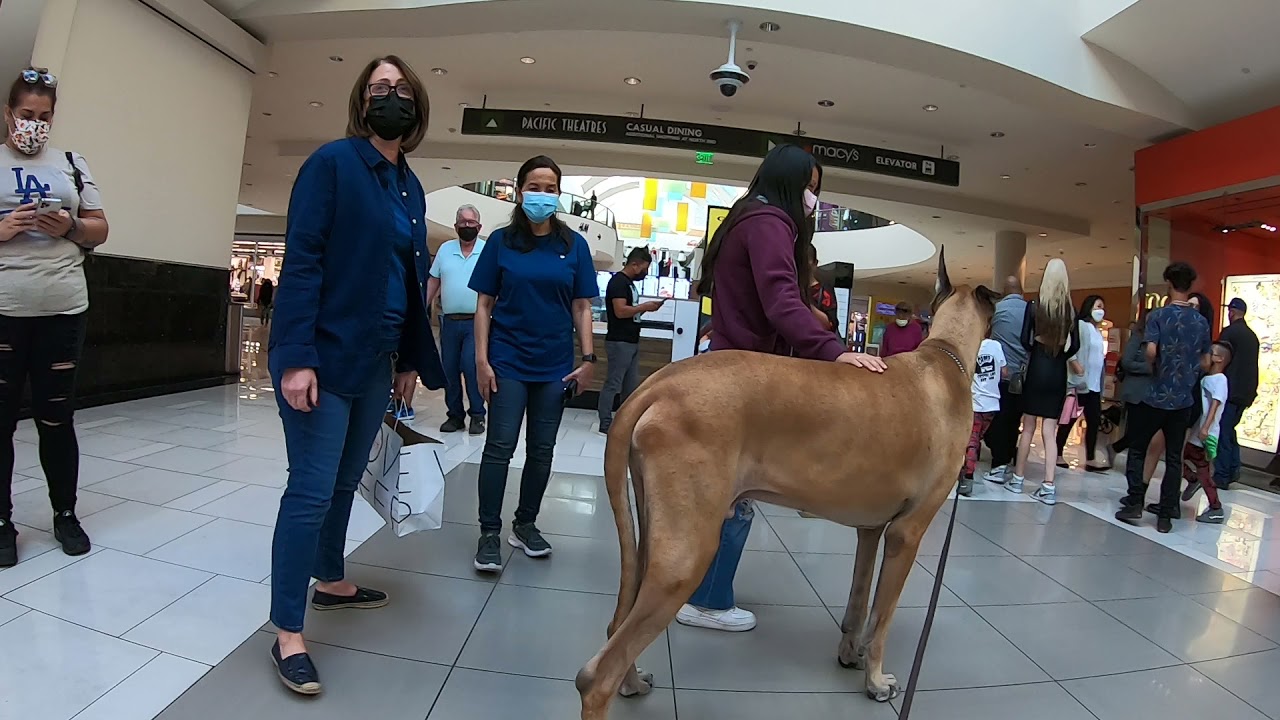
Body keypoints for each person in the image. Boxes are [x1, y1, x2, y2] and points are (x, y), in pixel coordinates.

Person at [267, 56, 444, 695]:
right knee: (311, 490)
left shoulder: (410, 186)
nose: (390, 97)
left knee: (345, 481)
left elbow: (407, 279)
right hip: (322, 356)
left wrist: (406, 361)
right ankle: (288, 630)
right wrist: (295, 357)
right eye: (378, 88)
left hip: (376, 360)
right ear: (361, 102)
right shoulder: (333, 164)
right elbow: (303, 259)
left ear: (416, 105)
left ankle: (331, 579)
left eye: (400, 89)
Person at [677, 143, 885, 633]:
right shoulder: (771, 223)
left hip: (728, 368)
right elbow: (780, 301)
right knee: (738, 493)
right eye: (809, 187)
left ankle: (692, 587)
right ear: (789, 182)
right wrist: (834, 350)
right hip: (748, 380)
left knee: (724, 490)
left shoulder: (744, 217)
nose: (813, 198)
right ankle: (707, 600)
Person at [0, 67, 109, 568]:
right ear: (9, 114)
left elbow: (99, 228)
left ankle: (65, 514)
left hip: (63, 308)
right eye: (27, 114)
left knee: (56, 418)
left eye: (44, 117)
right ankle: (2, 522)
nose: (35, 125)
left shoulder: (71, 163)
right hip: (5, 309)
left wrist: (69, 227)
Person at [468, 155, 598, 573]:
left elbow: (582, 306)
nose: (543, 195)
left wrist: (588, 359)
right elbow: (484, 305)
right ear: (520, 191)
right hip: (507, 360)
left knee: (542, 450)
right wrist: (482, 360)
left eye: (550, 188)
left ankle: (525, 525)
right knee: (499, 447)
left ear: (559, 195)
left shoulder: (573, 245)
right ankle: (489, 532)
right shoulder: (500, 242)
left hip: (554, 366)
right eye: (534, 187)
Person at [1115, 262, 1211, 533]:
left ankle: (1135, 502)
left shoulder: (1158, 316)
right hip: (1183, 399)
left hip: (1156, 394)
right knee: (1174, 457)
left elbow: (1151, 352)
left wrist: (1157, 365)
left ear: (1169, 283)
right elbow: (1206, 361)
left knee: (1138, 448)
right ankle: (1166, 514)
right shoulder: (1201, 322)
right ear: (1190, 285)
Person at [1008, 259, 1080, 505]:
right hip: (1058, 371)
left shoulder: (1034, 306)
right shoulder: (1070, 310)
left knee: (1028, 427)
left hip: (1037, 368)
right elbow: (1075, 345)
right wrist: (1060, 355)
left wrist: (1037, 350)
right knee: (1050, 431)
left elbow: (1024, 339)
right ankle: (1048, 485)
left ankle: (1018, 478)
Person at [428, 204, 487, 435]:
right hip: (449, 321)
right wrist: (421, 308)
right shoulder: (445, 249)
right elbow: (434, 281)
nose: (467, 226)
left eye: (471, 222)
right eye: (463, 222)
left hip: (477, 323)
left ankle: (477, 415)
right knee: (449, 370)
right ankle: (454, 416)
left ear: (479, 227)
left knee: (471, 367)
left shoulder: (486, 250)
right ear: (455, 226)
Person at [598, 246, 662, 433]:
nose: (645, 273)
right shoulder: (618, 282)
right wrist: (644, 307)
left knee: (630, 386)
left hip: (631, 340)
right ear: (635, 265)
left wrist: (645, 309)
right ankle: (605, 422)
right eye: (644, 268)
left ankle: (624, 422)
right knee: (613, 383)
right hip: (620, 341)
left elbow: (629, 311)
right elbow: (620, 311)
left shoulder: (629, 284)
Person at [983, 276, 1029, 484]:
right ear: (1021, 290)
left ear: (1004, 291)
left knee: (997, 418)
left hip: (1000, 374)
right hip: (1024, 376)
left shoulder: (997, 310)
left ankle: (999, 462)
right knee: (1014, 420)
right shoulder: (1031, 310)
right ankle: (1008, 454)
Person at [1055, 295, 1107, 471]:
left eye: (1102, 307)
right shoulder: (1080, 326)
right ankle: (1058, 453)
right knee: (1070, 418)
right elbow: (1069, 347)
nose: (1101, 310)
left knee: (1094, 421)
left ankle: (1090, 458)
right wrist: (1076, 364)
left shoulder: (1098, 331)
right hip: (1081, 383)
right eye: (1098, 306)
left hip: (1094, 384)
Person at [1182, 341, 1231, 523]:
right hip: (1198, 431)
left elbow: (1215, 404)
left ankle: (1216, 507)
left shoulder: (1220, 380)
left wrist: (1205, 428)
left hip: (1206, 433)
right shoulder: (1206, 378)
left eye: (1210, 353)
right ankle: (1193, 479)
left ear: (1219, 359)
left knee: (1202, 468)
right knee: (1182, 457)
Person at [1217, 297, 1258, 490]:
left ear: (1231, 312)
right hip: (1246, 392)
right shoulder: (1252, 336)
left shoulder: (1229, 333)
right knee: (1230, 428)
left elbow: (1220, 358)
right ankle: (1233, 468)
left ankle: (1223, 474)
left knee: (1224, 431)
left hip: (1230, 390)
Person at [961, 329, 1007, 496]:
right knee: (976, 439)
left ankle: (967, 477)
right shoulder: (996, 346)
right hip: (992, 403)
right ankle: (967, 468)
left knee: (971, 442)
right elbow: (1004, 372)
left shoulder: (971, 346)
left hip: (976, 403)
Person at [1109, 314, 1153, 457]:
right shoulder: (1138, 338)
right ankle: (1116, 449)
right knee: (1136, 430)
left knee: (1144, 430)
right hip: (1135, 392)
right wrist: (1149, 368)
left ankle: (1117, 449)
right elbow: (1126, 362)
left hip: (1151, 393)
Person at [808, 245, 840, 334]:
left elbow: (830, 324)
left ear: (815, 263)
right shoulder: (791, 287)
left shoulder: (825, 290)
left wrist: (806, 304)